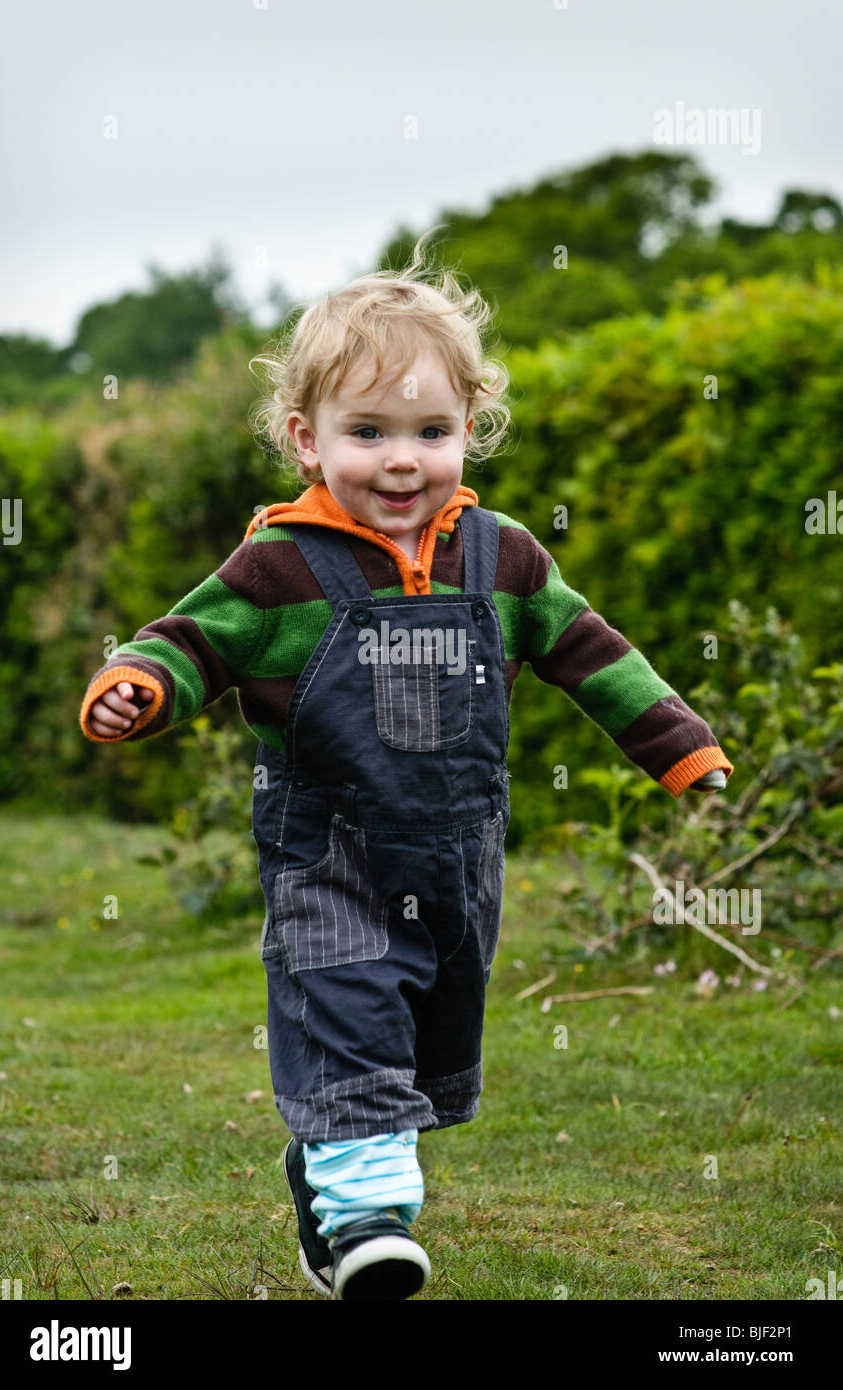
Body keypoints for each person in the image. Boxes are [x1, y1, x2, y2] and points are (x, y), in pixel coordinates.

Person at [79, 238, 733, 1301]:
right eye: (368, 432)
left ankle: (324, 1183)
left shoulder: (504, 557)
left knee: (421, 1049)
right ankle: (372, 1225)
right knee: (351, 1019)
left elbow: (591, 652)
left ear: (466, 431)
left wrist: (677, 745)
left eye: (430, 432)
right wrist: (139, 684)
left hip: (456, 857)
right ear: (306, 439)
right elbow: (191, 640)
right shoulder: (279, 565)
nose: (401, 460)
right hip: (327, 861)